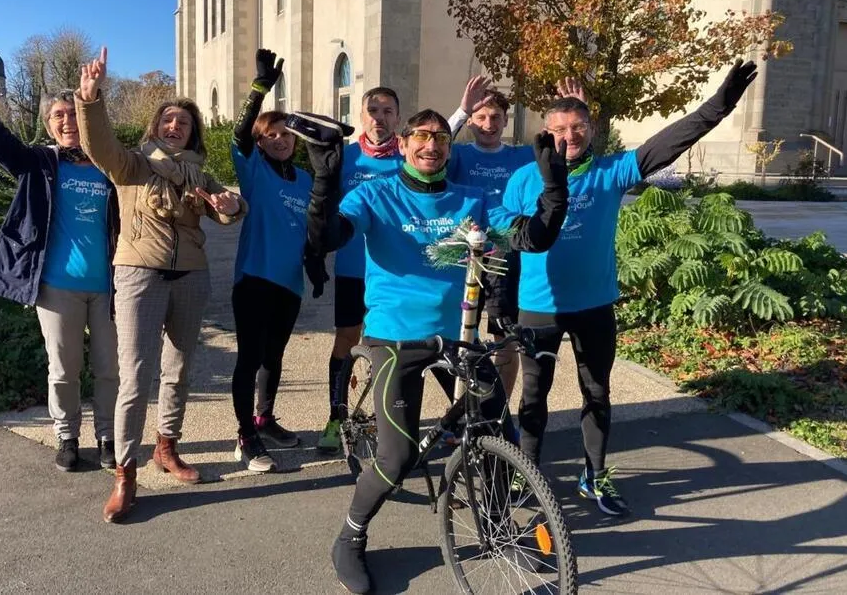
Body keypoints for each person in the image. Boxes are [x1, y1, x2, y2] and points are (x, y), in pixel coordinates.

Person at [305, 109, 570, 594]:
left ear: (449, 147)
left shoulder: (472, 200)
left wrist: (556, 187)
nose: (432, 145)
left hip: (456, 338)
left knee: (495, 423)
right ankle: (350, 537)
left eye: (441, 138)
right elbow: (326, 238)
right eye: (422, 137)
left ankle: (495, 525)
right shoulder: (376, 194)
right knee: (397, 456)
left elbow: (532, 237)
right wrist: (324, 176)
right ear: (404, 145)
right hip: (394, 340)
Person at [504, 60, 758, 517]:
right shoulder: (524, 179)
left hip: (595, 306)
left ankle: (594, 475)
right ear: (544, 132)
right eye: (560, 127)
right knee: (532, 399)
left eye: (578, 125)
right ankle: (528, 477)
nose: (570, 135)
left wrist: (720, 106)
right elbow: (512, 237)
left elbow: (670, 141)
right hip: (538, 308)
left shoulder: (611, 171)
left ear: (592, 127)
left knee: (596, 393)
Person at [74, 47, 247, 523]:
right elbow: (100, 146)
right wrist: (90, 102)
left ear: (193, 132)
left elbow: (229, 211)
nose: (176, 127)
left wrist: (230, 205)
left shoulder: (200, 173)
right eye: (168, 120)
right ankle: (125, 473)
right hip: (140, 274)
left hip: (191, 276)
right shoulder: (132, 165)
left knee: (179, 368)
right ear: (156, 127)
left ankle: (166, 446)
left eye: (184, 123)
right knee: (135, 376)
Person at [0, 37, 119, 473]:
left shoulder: (112, 166)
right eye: (57, 116)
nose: (67, 122)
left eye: (72, 114)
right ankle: (67, 438)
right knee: (63, 370)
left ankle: (107, 437)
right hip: (57, 286)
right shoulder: (38, 163)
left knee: (108, 370)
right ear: (49, 126)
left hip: (110, 287)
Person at [229, 49, 313, 473]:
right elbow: (240, 134)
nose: (280, 140)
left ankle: (264, 418)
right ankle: (246, 436)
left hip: (289, 284)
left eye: (286, 135)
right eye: (271, 136)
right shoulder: (253, 168)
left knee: (274, 357)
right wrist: (260, 88)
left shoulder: (305, 180)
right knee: (249, 356)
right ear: (261, 143)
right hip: (254, 278)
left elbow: (311, 229)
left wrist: (315, 263)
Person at [317, 86, 403, 454]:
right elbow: (322, 205)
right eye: (373, 109)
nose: (379, 117)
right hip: (353, 269)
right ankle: (337, 416)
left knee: (397, 346)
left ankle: (393, 421)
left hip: (396, 270)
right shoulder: (345, 158)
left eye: (387, 110)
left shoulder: (409, 155)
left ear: (398, 118)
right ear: (362, 115)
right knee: (346, 342)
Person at [445, 79, 534, 396]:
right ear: (470, 121)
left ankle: (499, 413)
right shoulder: (456, 155)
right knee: (460, 334)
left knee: (504, 336)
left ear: (506, 120)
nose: (488, 124)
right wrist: (461, 109)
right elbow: (433, 140)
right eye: (480, 117)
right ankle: (460, 406)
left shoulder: (523, 157)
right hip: (462, 255)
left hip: (505, 255)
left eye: (495, 117)